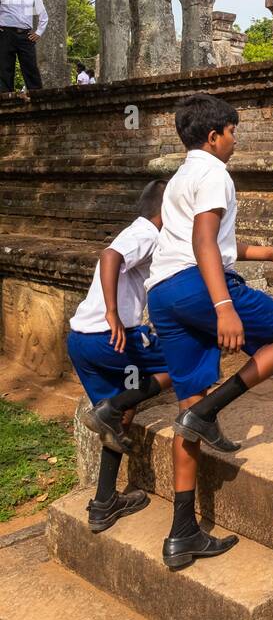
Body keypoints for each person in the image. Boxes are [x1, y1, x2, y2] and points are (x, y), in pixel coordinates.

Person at [145, 93, 273, 569]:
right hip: (200, 287)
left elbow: (215, 240)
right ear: (215, 136)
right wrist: (224, 307)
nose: (235, 140)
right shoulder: (215, 173)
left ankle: (182, 534)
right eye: (233, 132)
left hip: (165, 294)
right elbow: (203, 243)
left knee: (187, 408)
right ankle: (211, 412)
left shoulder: (181, 177)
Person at [67, 180, 173, 533]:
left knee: (118, 420)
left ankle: (103, 503)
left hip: (81, 341)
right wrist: (113, 312)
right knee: (184, 363)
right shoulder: (146, 232)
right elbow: (110, 256)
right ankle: (111, 409)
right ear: (165, 211)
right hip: (111, 337)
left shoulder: (142, 232)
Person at [0, 0, 47, 93]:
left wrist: (38, 32)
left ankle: (37, 95)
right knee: (5, 66)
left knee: (30, 66)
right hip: (5, 34)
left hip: (25, 35)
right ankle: (5, 96)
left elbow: (43, 15)